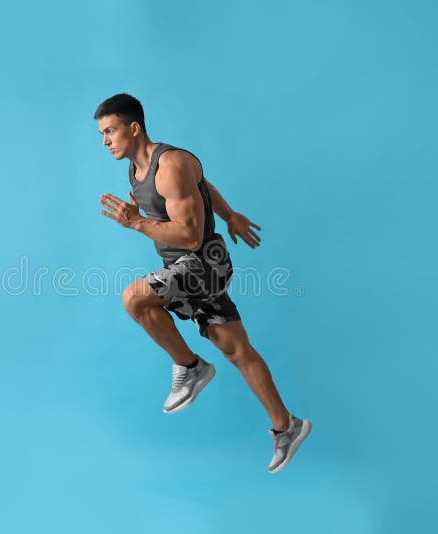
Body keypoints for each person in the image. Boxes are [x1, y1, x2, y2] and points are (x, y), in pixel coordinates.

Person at [95, 93, 311, 473]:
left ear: (134, 127)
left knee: (135, 299)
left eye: (110, 131)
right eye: (102, 134)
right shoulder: (137, 170)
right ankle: (287, 426)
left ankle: (190, 367)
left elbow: (192, 237)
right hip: (186, 267)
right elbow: (203, 185)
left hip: (202, 263)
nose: (105, 141)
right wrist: (231, 215)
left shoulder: (170, 164)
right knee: (237, 350)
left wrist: (136, 222)